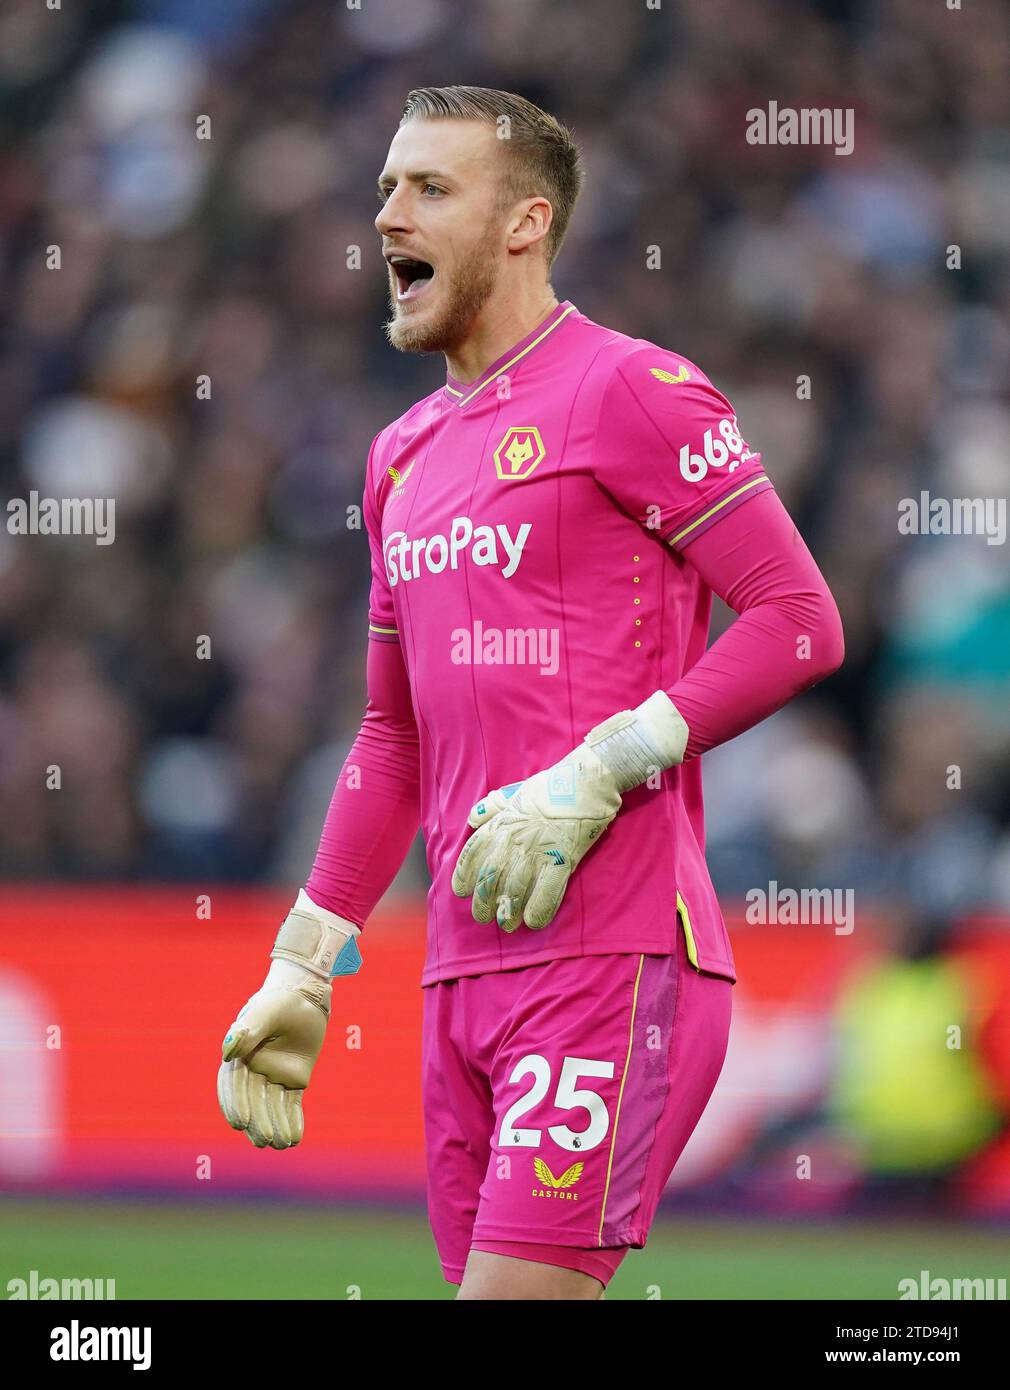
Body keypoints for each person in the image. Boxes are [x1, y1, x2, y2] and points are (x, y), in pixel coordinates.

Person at [217, 86, 844, 1301]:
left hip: (609, 955)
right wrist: (306, 953)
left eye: (428, 189)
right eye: (387, 186)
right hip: (458, 974)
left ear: (524, 223)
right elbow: (392, 733)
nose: (387, 211)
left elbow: (798, 620)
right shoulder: (398, 455)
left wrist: (603, 763)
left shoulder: (629, 389)